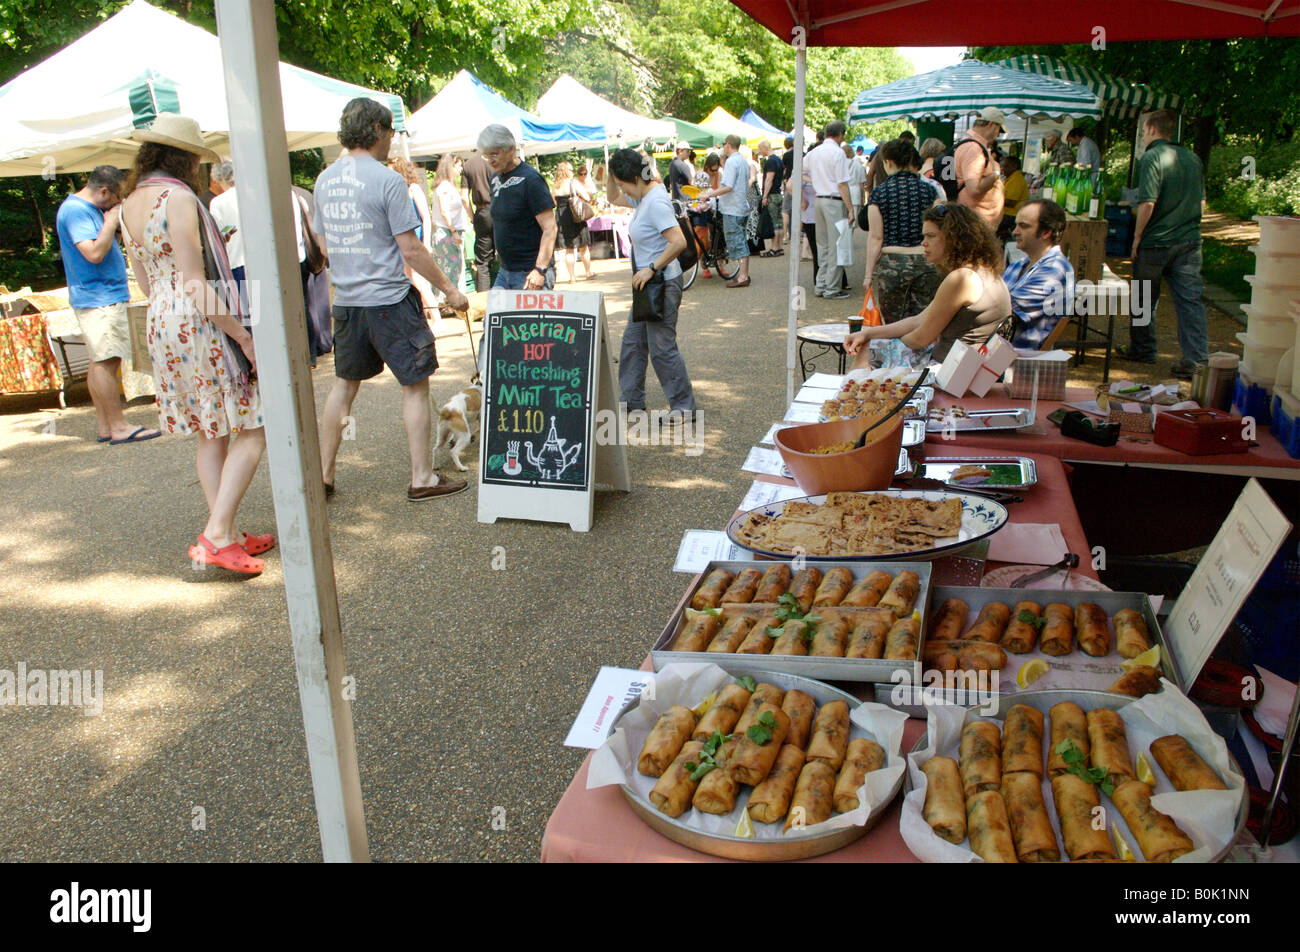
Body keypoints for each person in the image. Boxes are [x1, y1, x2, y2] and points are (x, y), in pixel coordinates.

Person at [117, 113, 266, 573]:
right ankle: (219, 532)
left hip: (161, 317)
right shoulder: (178, 199)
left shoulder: (125, 206)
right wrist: (243, 335)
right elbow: (197, 284)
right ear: (186, 160)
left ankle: (227, 528)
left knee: (209, 430)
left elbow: (144, 282)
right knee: (256, 421)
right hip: (196, 317)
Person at [314, 98, 469, 502]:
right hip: (389, 298)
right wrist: (450, 289)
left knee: (344, 386)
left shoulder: (324, 180)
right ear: (379, 130)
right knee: (415, 386)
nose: (391, 143)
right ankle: (422, 477)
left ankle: (323, 474)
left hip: (347, 301)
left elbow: (321, 241)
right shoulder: (387, 181)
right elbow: (411, 249)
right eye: (392, 134)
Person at [55, 165, 162, 446]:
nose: (117, 202)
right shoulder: (77, 211)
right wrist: (112, 221)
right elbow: (93, 253)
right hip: (99, 296)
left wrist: (111, 226)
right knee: (106, 361)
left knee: (98, 360)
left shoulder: (83, 209)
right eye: (115, 196)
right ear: (103, 190)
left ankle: (106, 425)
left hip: (98, 295)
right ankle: (118, 426)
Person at [845, 202, 1011, 369]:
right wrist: (868, 333)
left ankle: (846, 391)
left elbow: (920, 338)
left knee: (869, 353)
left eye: (931, 236)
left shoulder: (963, 279)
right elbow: (918, 320)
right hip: (964, 367)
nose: (923, 243)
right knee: (872, 345)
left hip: (948, 370)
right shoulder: (983, 272)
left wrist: (878, 345)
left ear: (954, 238)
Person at [605, 148, 696, 425]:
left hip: (662, 283)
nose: (622, 190)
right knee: (633, 343)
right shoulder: (643, 196)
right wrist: (611, 170)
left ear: (636, 178)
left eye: (623, 184)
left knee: (661, 347)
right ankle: (631, 401)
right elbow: (610, 197)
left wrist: (651, 267)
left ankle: (683, 407)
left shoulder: (654, 201)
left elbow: (678, 242)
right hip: (648, 285)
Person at [1122, 109, 1209, 379]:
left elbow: (1147, 202)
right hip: (1189, 241)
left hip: (1156, 242)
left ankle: (1144, 349)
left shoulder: (1151, 157)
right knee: (1190, 301)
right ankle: (1196, 359)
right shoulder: (1193, 158)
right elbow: (1202, 203)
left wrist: (1136, 238)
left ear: (1149, 129)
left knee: (1143, 298)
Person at [862, 139, 941, 326]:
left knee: (892, 324)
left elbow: (876, 237)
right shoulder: (930, 191)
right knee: (924, 322)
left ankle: (895, 355)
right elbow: (939, 229)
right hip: (926, 261)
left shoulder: (880, 193)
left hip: (892, 263)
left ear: (888, 162)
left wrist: (868, 274)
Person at [476, 124, 557, 291]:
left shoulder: (531, 180)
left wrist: (540, 269)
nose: (490, 160)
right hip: (505, 271)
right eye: (486, 155)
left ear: (511, 150)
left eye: (494, 154)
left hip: (530, 272)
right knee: (493, 317)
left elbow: (550, 228)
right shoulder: (495, 179)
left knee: (531, 318)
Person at [1004, 199, 1075, 349]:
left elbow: (1001, 311)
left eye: (1023, 226)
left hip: (1017, 362)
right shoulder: (1019, 264)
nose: (1015, 232)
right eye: (1015, 225)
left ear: (1046, 232)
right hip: (995, 353)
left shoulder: (1055, 269)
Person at [804, 120, 854, 299]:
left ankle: (821, 284)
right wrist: (850, 208)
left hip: (819, 200)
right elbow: (842, 183)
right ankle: (832, 288)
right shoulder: (838, 153)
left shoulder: (814, 152)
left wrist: (814, 181)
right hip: (834, 200)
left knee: (823, 246)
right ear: (840, 134)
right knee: (836, 246)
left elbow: (799, 171)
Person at [698, 134, 751, 288]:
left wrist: (708, 195)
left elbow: (727, 186)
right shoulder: (743, 161)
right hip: (741, 206)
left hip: (732, 208)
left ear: (728, 145)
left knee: (736, 242)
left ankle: (743, 276)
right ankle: (743, 274)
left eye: (724, 144)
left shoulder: (731, 162)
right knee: (740, 240)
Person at [390, 157, 437, 315]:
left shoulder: (414, 188)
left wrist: (427, 242)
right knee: (410, 279)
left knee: (419, 279)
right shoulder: (398, 191)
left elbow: (426, 218)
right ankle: (422, 314)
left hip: (416, 239)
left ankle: (435, 316)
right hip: (403, 241)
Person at [955, 107, 1006, 230]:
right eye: (999, 130)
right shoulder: (973, 148)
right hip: (975, 224)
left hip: (977, 223)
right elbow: (974, 188)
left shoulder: (975, 145)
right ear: (992, 125)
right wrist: (995, 175)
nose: (997, 134)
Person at [429, 153, 471, 292]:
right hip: (446, 233)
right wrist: (453, 232)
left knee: (453, 268)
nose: (461, 169)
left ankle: (448, 300)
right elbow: (444, 211)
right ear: (450, 166)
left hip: (450, 232)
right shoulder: (444, 187)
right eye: (458, 166)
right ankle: (447, 300)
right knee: (450, 268)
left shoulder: (448, 186)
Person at [551, 160, 593, 282]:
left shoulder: (555, 186)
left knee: (569, 249)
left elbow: (553, 203)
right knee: (583, 246)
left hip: (561, 217)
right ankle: (588, 272)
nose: (573, 172)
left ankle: (572, 277)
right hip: (575, 215)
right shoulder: (572, 183)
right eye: (571, 170)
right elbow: (586, 197)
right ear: (566, 171)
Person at [461, 148, 495, 293]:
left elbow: (464, 196)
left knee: (482, 261)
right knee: (507, 256)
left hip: (481, 212)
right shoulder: (495, 161)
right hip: (499, 210)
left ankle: (484, 303)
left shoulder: (468, 165)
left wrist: (473, 217)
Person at [690, 153, 721, 279]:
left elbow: (719, 190)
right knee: (702, 237)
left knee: (717, 235)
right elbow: (693, 193)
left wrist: (711, 196)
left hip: (713, 208)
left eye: (716, 169)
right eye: (711, 169)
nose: (713, 172)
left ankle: (720, 263)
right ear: (707, 166)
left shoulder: (719, 175)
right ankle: (705, 266)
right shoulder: (700, 176)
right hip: (703, 210)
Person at [758, 140, 785, 257]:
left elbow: (769, 179)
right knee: (779, 222)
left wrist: (765, 196)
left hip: (772, 195)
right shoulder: (779, 160)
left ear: (764, 148)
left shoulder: (770, 162)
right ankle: (779, 247)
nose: (759, 152)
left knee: (773, 222)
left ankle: (774, 248)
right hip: (779, 193)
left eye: (760, 149)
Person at [999, 154, 1029, 239]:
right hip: (1008, 214)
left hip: (1011, 215)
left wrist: (993, 201)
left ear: (1014, 167)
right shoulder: (1012, 178)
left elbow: (1010, 202)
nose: (1003, 169)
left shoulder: (1016, 179)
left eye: (1006, 166)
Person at [845, 143, 868, 222]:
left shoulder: (839, 164)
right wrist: (863, 198)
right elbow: (861, 184)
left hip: (842, 194)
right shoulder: (858, 165)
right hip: (855, 194)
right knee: (852, 222)